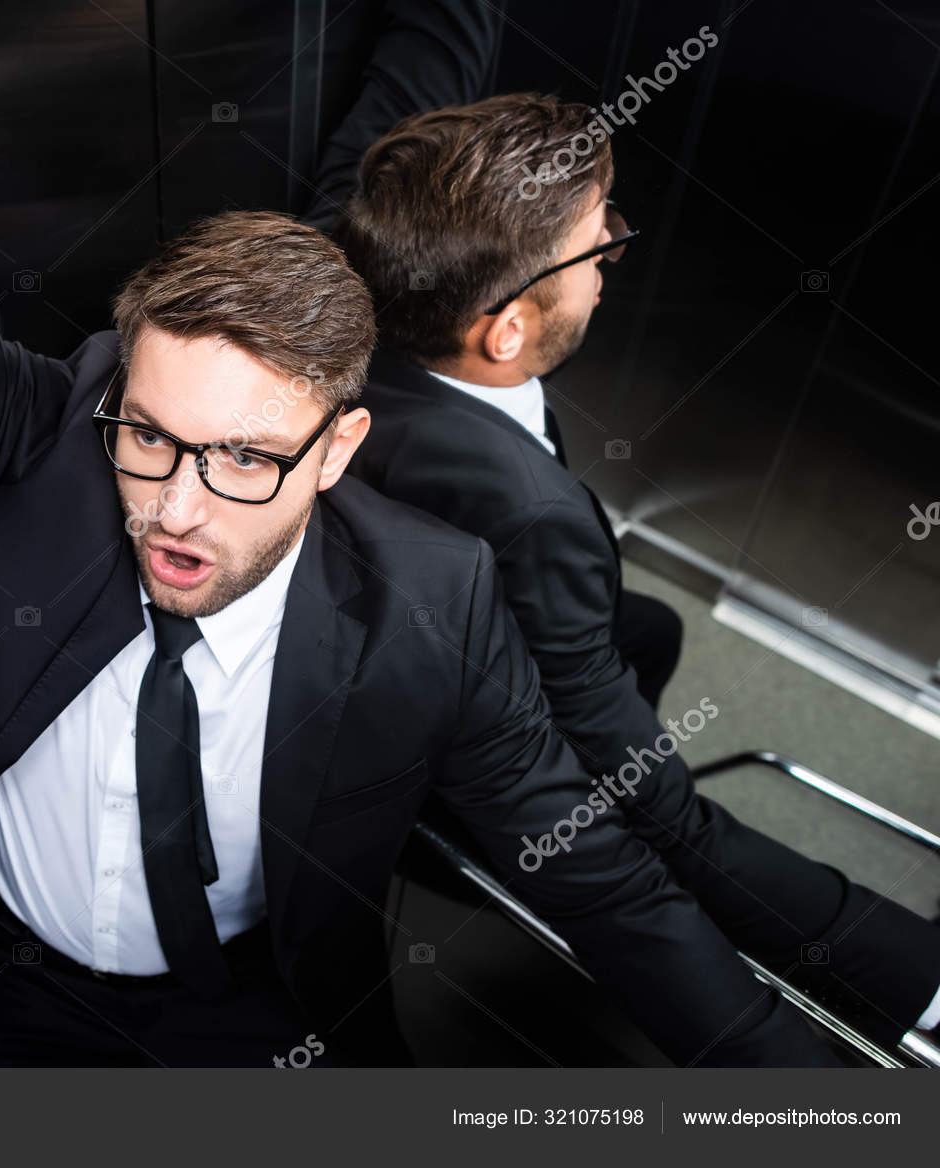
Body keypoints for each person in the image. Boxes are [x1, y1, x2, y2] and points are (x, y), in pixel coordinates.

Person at [0, 0, 842, 1065]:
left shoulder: (436, 600)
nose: (175, 508)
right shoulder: (47, 443)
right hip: (4, 979)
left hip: (266, 1005)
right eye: (151, 438)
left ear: (337, 450)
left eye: (245, 460)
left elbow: (599, 876)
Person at [317, 45, 940, 1046]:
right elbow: (656, 813)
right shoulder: (533, 516)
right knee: (668, 817)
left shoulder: (347, 282)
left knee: (648, 628)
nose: (612, 248)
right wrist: (908, 968)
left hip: (447, 644)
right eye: (594, 246)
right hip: (470, 748)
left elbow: (397, 101)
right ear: (505, 332)